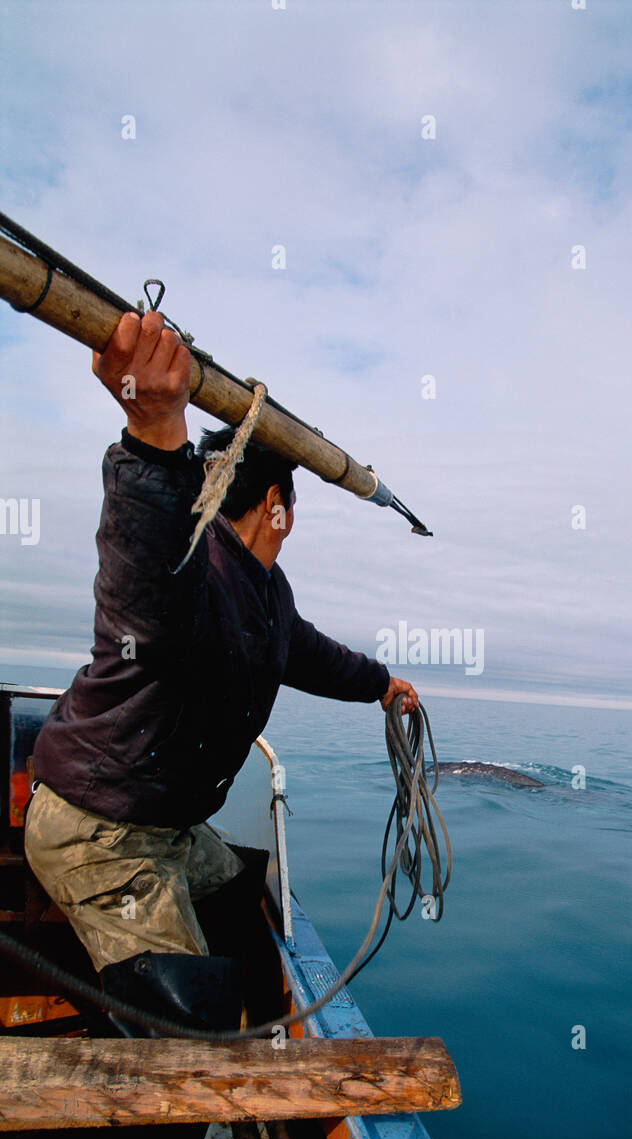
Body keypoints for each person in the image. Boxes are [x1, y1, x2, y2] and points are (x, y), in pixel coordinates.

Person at [24, 309, 418, 1032]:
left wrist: (379, 683)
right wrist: (153, 437)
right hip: (100, 830)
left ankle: (225, 1005)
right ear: (277, 508)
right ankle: (148, 1034)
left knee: (242, 892)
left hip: (170, 827)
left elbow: (303, 650)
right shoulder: (193, 563)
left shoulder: (266, 590)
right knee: (187, 1028)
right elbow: (144, 594)